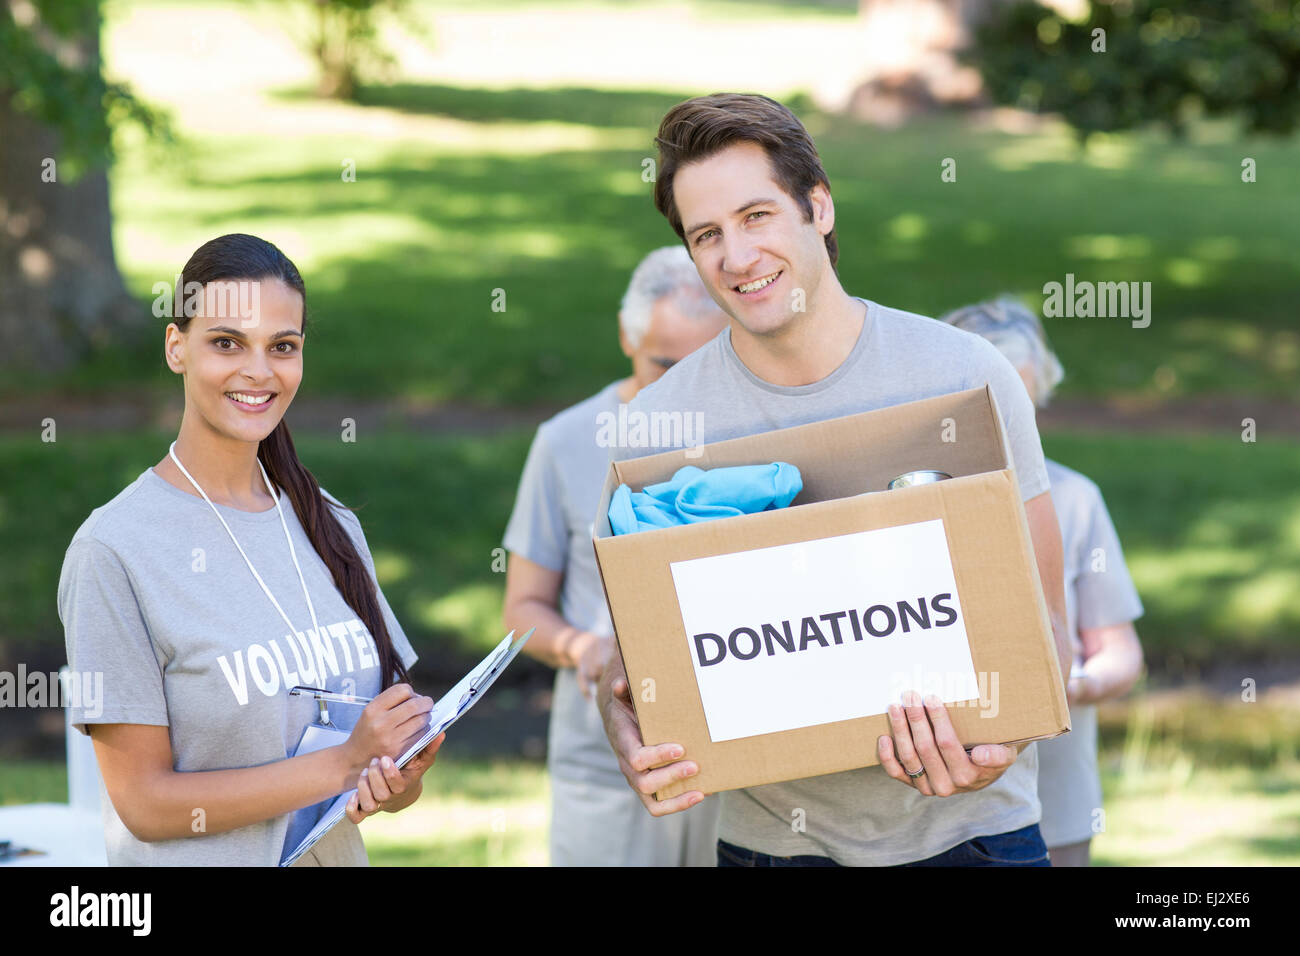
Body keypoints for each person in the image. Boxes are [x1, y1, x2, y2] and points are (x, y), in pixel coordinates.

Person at [596, 92, 1074, 867]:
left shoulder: (965, 376)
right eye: (706, 235)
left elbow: (1050, 626)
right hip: (770, 850)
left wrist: (1005, 734)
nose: (736, 257)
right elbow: (629, 663)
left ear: (818, 206)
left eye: (757, 217)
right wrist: (622, 726)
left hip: (974, 837)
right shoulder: (660, 423)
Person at [57, 233, 442, 866]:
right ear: (176, 347)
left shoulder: (331, 525)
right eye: (227, 343)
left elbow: (386, 783)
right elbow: (145, 805)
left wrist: (395, 770)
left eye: (282, 347)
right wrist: (340, 764)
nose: (259, 371)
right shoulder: (113, 551)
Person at [502, 245, 728, 866]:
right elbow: (521, 608)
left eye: (702, 363)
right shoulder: (566, 440)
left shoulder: (750, 434)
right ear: (628, 340)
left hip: (729, 737)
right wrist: (584, 647)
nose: (680, 387)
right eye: (663, 364)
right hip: (602, 750)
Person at [941, 296, 1146, 867]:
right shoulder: (916, 499)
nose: (1008, 429)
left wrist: (1066, 685)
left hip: (1054, 799)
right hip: (936, 809)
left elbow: (1121, 653)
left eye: (1021, 409)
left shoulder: (1075, 499)